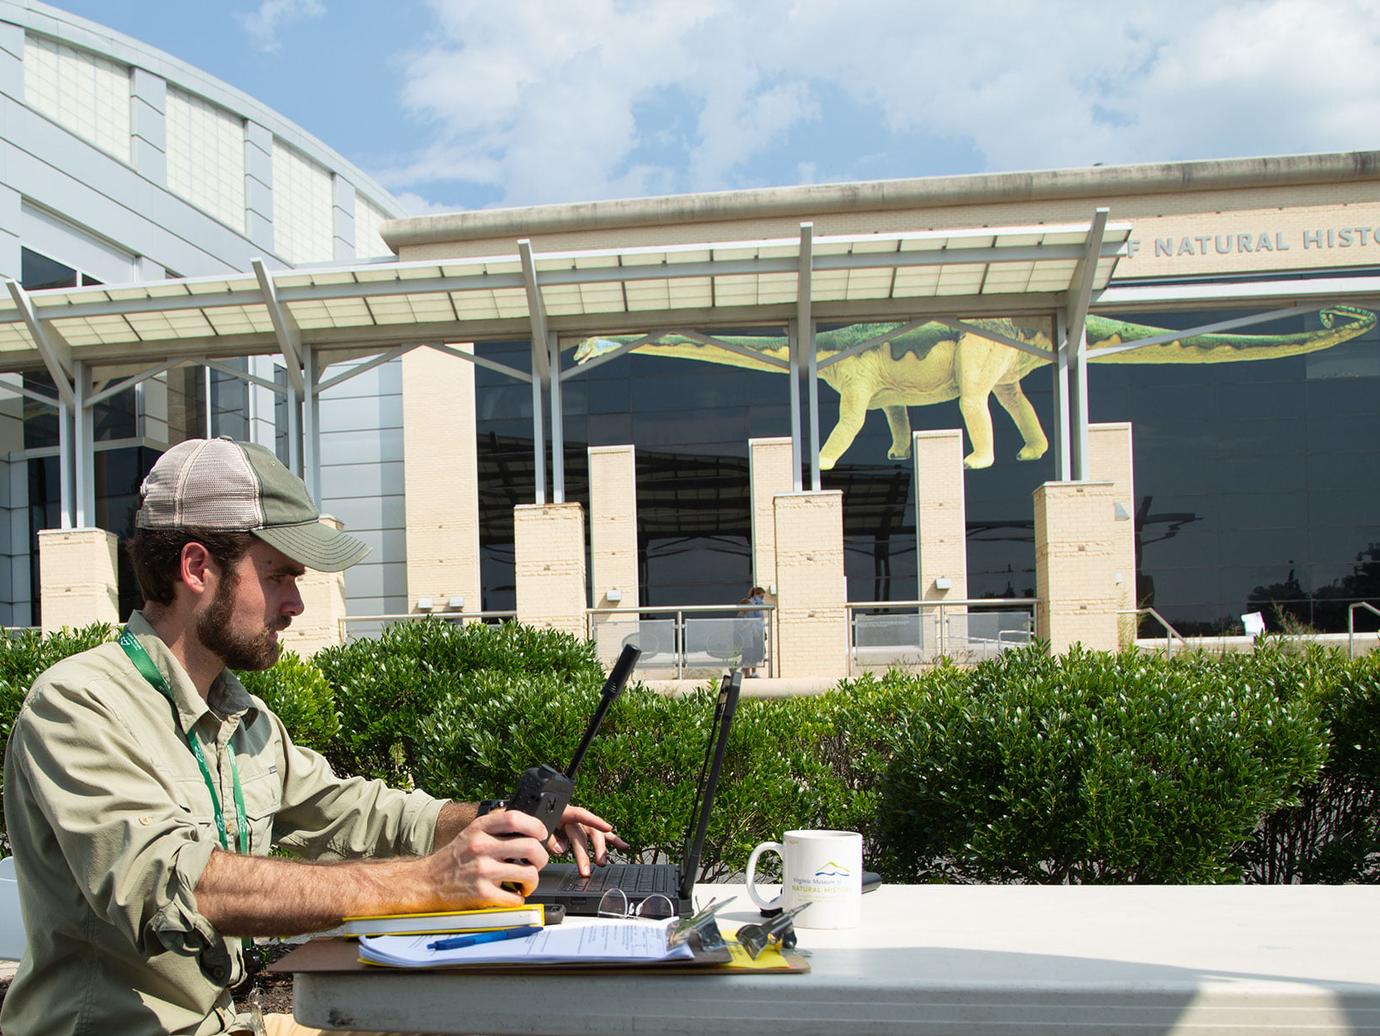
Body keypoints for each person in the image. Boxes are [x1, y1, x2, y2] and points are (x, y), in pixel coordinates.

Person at [2, 437, 626, 1036]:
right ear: (197, 568)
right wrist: (426, 884)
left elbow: (352, 811)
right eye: (278, 576)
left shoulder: (240, 717)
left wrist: (492, 820)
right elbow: (176, 884)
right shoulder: (79, 704)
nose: (296, 603)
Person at [736, 585, 767, 678]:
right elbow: (751, 619)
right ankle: (747, 672)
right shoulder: (751, 604)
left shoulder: (758, 605)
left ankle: (752, 672)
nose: (762, 599)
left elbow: (760, 620)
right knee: (749, 655)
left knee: (755, 654)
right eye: (761, 596)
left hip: (757, 632)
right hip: (751, 634)